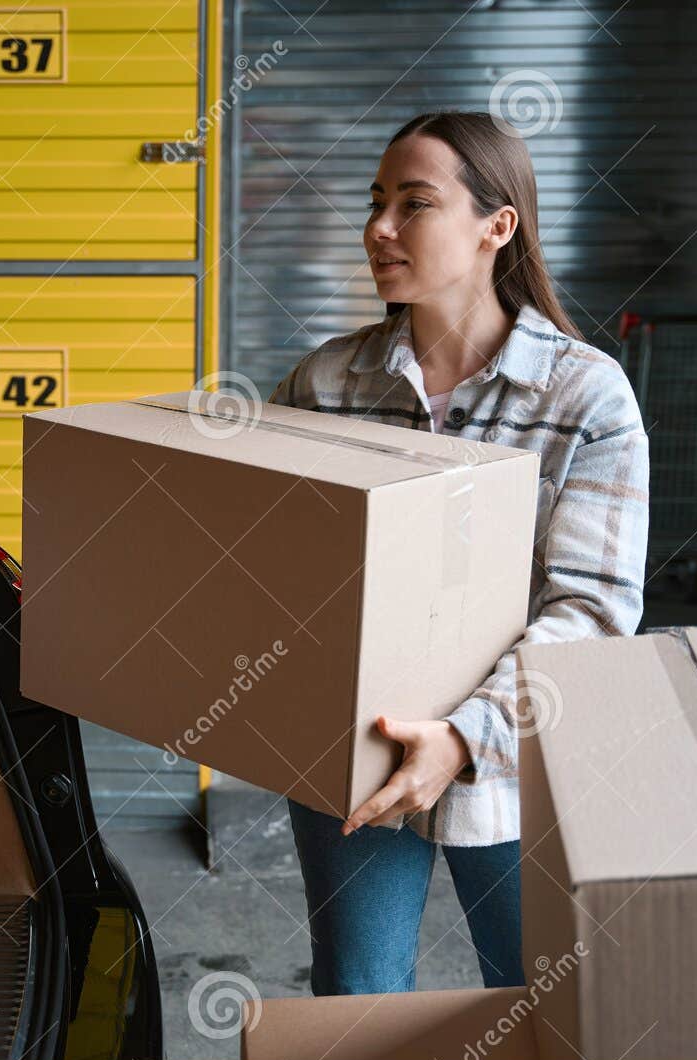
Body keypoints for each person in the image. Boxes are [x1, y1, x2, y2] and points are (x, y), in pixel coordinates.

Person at [269, 109, 650, 995]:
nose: (378, 229)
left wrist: (463, 738)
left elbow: (592, 610)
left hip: (518, 763)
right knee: (356, 1000)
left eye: (414, 203)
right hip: (352, 754)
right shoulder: (325, 384)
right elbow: (272, 567)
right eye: (375, 203)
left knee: (543, 1005)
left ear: (496, 224)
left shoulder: (584, 396)